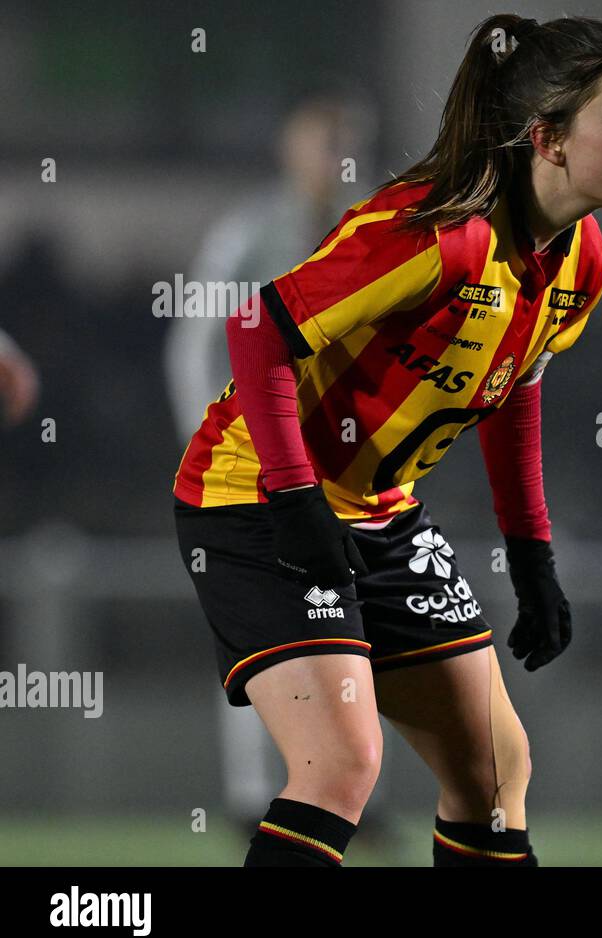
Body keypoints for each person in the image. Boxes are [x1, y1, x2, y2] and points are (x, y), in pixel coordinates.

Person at [171, 13, 602, 866]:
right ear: (547, 138)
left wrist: (532, 554)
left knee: (494, 770)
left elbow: (514, 394)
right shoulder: (444, 231)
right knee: (341, 766)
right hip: (253, 495)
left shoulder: (582, 259)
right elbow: (258, 326)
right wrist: (294, 497)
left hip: (377, 513)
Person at [162, 90, 390, 841]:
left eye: (347, 140)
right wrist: (210, 445)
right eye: (324, 140)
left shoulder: (372, 228)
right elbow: (195, 342)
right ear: (291, 148)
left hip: (345, 466)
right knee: (263, 634)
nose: (337, 156)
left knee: (356, 629)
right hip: (252, 469)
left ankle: (349, 792)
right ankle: (249, 798)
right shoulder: (251, 232)